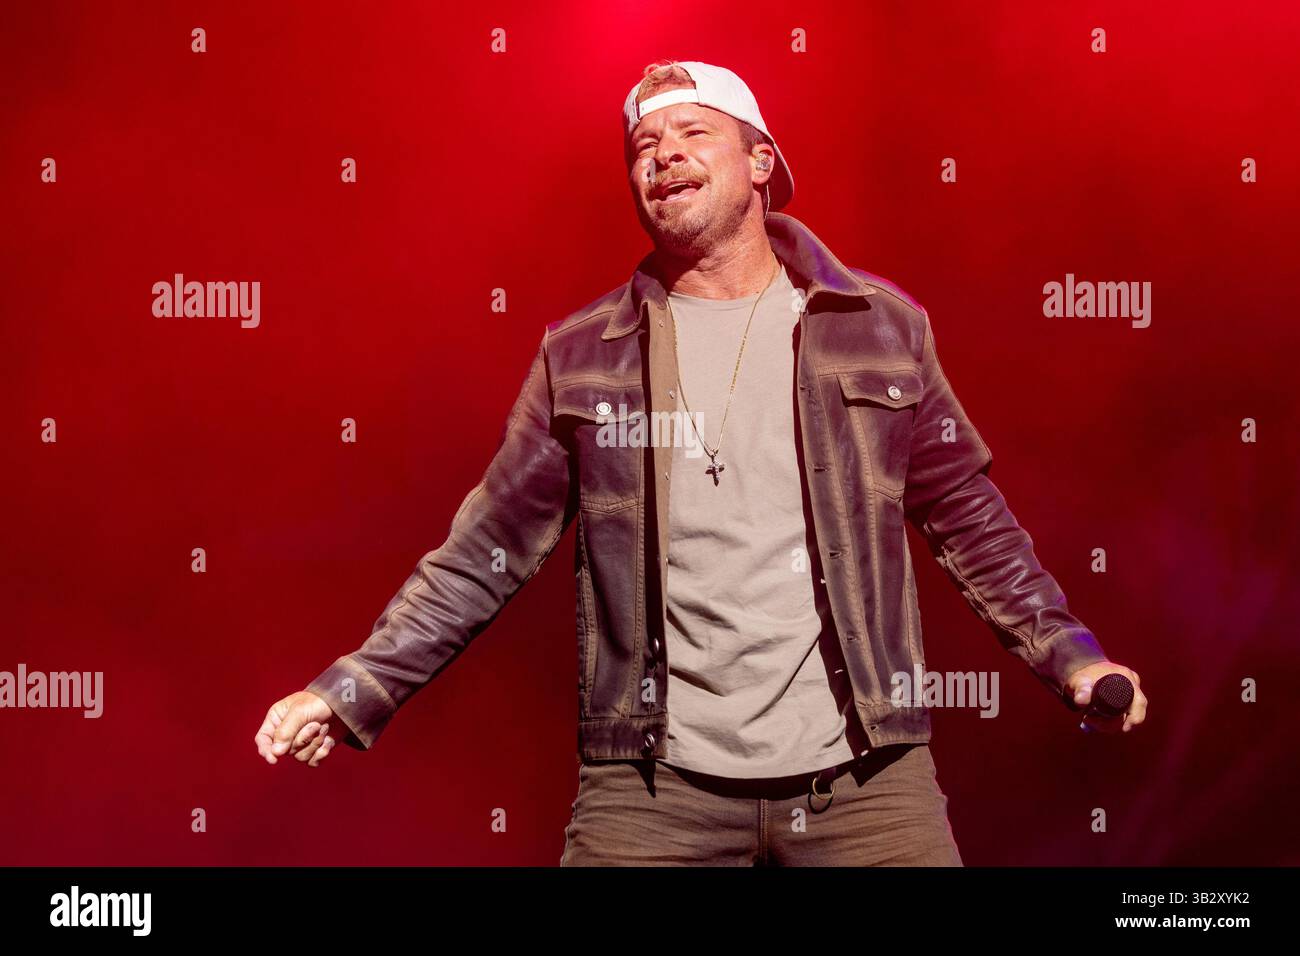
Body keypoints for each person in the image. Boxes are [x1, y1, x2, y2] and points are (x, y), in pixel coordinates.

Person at [254, 60, 1148, 865]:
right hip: (652, 790)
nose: (663, 155)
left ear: (761, 163)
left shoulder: (877, 326)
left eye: (692, 133)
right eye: (644, 144)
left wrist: (1069, 657)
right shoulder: (584, 356)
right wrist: (355, 686)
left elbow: (968, 517)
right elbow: (482, 553)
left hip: (866, 780)